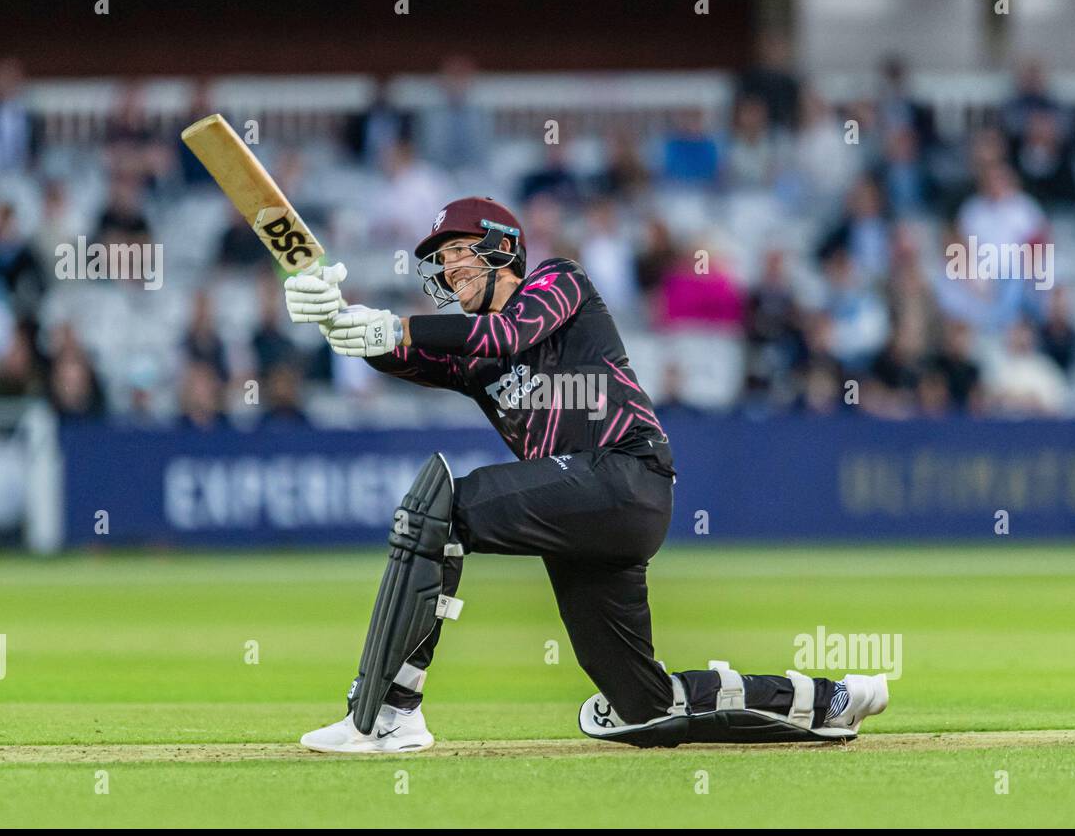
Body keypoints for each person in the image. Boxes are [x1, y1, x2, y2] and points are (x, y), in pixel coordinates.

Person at [283, 197, 889, 752]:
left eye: (459, 253)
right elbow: (405, 351)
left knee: (438, 509)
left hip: (624, 474)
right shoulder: (475, 356)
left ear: (503, 249)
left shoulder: (559, 280)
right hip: (587, 513)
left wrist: (396, 325)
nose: (448, 270)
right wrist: (338, 320)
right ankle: (827, 701)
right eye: (440, 262)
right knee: (639, 707)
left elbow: (504, 331)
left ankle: (388, 713)